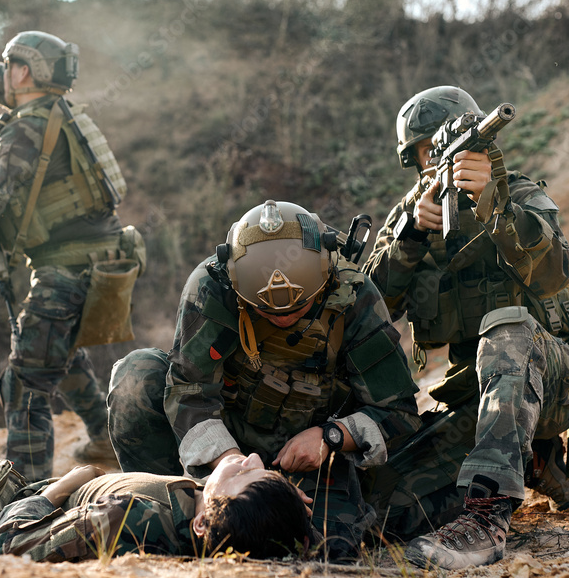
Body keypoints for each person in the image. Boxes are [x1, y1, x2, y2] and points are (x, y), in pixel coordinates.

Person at [362, 86, 569, 570]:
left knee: (507, 325)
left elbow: (558, 270)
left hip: (553, 381)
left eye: (443, 145)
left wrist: (493, 201)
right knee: (383, 507)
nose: (435, 158)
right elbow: (365, 311)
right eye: (425, 151)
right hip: (479, 402)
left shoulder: (517, 191)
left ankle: (487, 519)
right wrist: (409, 239)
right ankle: (535, 462)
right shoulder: (412, 212)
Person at [107, 199, 423, 559]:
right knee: (137, 375)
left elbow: (398, 413)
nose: (283, 318)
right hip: (224, 445)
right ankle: (175, 512)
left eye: (298, 307)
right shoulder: (214, 286)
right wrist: (228, 465)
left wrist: (331, 437)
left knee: (327, 552)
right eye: (265, 310)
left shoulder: (353, 296)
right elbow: (190, 390)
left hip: (312, 457)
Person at [0, 31, 143, 481]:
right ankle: (105, 438)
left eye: (11, 65)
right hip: (106, 262)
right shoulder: (57, 110)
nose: (4, 73)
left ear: (25, 72)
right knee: (61, 350)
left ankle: (25, 497)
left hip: (68, 273)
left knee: (24, 384)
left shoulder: (24, 129)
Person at [0, 453, 314, 561]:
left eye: (245, 473)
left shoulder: (129, 519)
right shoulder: (222, 519)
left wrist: (61, 488)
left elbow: (5, 548)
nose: (253, 457)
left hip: (4, 507)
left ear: (201, 523)